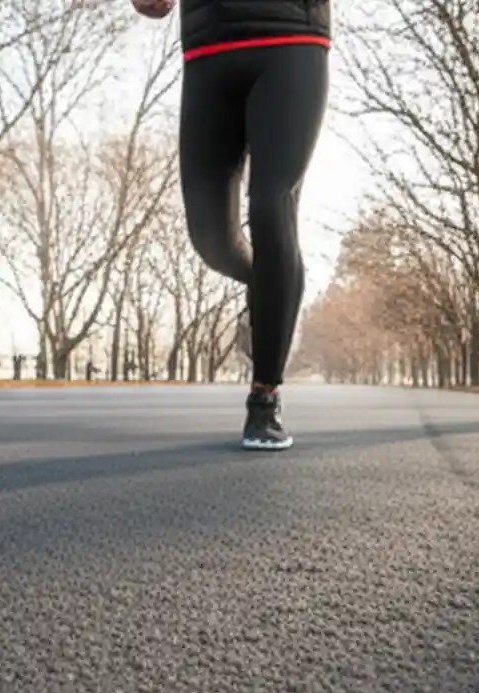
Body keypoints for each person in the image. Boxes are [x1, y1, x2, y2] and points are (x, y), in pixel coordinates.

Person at [131, 0, 330, 451]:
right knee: (210, 238)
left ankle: (264, 397)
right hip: (209, 49)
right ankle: (272, 288)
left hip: (290, 39)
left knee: (271, 204)